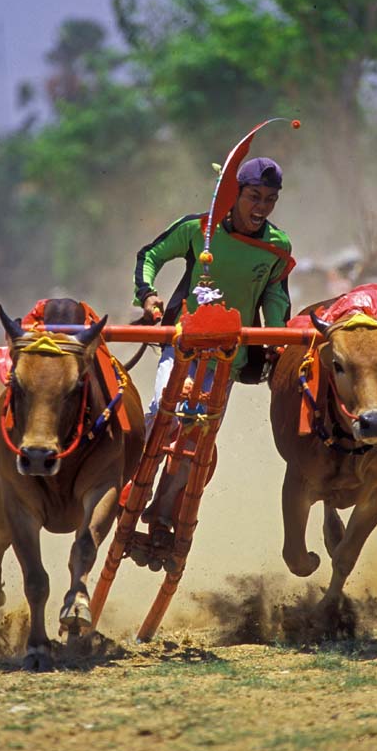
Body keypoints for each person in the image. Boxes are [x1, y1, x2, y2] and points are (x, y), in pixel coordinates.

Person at [132, 156, 294, 555]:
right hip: (183, 344)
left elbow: (276, 296)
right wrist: (148, 293)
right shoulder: (197, 229)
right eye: (254, 196)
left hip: (229, 357)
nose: (261, 208)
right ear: (233, 193)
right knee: (160, 412)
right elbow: (150, 256)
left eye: (270, 199)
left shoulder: (277, 246)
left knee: (197, 432)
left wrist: (277, 344)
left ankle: (163, 513)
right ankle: (127, 487)